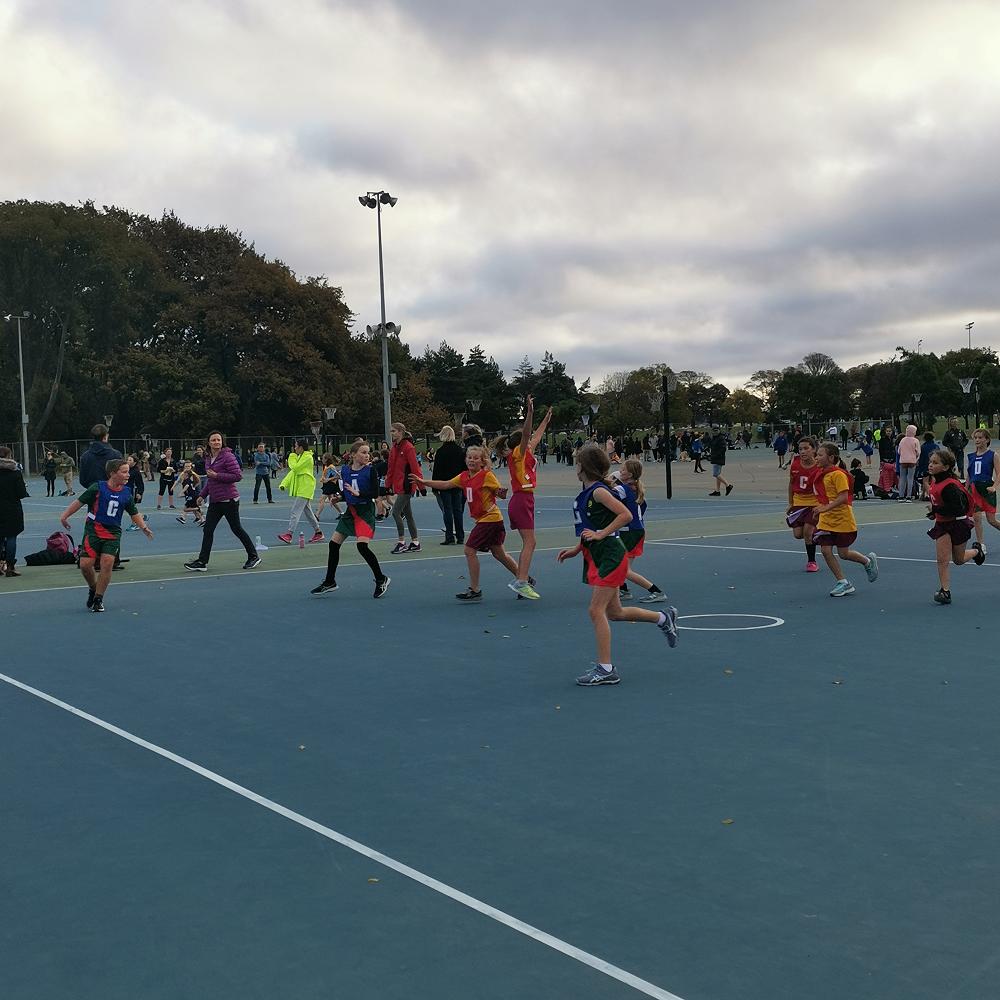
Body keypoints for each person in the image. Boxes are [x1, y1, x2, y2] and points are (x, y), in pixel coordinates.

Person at [557, 444, 678, 686]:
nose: (575, 465)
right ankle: (663, 618)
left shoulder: (599, 492)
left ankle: (606, 669)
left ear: (583, 466)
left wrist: (601, 534)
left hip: (611, 554)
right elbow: (589, 527)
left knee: (595, 610)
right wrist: (577, 549)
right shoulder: (587, 491)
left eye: (577, 461)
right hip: (599, 555)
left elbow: (626, 515)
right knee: (615, 613)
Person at [414, 444, 519, 602]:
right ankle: (525, 579)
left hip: (489, 519)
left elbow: (499, 493)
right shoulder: (463, 477)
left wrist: (501, 492)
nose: (472, 460)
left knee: (469, 550)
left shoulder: (486, 475)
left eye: (476, 458)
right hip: (488, 521)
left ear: (482, 461)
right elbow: (446, 484)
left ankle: (475, 589)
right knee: (499, 554)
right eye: (469, 457)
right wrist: (423, 481)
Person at [60, 459, 154, 611]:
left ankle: (98, 598)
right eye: (124, 472)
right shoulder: (97, 488)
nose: (127, 475)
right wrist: (64, 516)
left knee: (107, 563)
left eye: (128, 471)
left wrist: (143, 527)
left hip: (113, 532)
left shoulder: (126, 492)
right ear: (112, 473)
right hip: (93, 530)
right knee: (85, 565)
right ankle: (93, 588)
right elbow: (79, 502)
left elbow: (133, 512)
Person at [310, 439, 390, 598]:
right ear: (353, 455)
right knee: (333, 545)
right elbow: (347, 492)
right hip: (351, 512)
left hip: (365, 512)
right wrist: (338, 498)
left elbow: (375, 493)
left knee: (362, 547)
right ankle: (330, 581)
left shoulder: (370, 471)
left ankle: (381, 579)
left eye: (368, 453)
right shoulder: (345, 471)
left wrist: (358, 494)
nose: (367, 456)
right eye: (363, 452)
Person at [493, 395, 553, 600]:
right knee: (530, 542)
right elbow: (528, 433)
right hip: (521, 499)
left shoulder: (527, 452)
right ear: (520, 444)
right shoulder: (517, 454)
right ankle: (521, 581)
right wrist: (530, 413)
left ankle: (522, 580)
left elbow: (535, 435)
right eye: (526, 441)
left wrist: (545, 420)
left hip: (525, 500)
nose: (531, 442)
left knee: (530, 542)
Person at [183, 431, 261, 572]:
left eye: (218, 440)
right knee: (208, 529)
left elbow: (237, 476)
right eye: (213, 440)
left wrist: (217, 475)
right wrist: (201, 495)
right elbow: (211, 480)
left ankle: (253, 556)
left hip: (229, 500)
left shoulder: (228, 456)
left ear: (222, 442)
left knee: (236, 529)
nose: (216, 442)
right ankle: (202, 561)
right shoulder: (208, 458)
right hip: (215, 500)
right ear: (209, 442)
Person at [813, 443, 878, 597]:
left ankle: (867, 561)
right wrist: (821, 509)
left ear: (831, 457)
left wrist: (825, 508)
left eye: (820, 455)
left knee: (843, 553)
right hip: (827, 519)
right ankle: (843, 582)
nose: (817, 457)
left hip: (841, 518)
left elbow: (843, 498)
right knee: (825, 550)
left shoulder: (838, 475)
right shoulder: (822, 473)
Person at [925, 447, 984, 604]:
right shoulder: (934, 481)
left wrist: (936, 509)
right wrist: (934, 514)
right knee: (942, 559)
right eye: (930, 462)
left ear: (946, 467)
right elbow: (940, 504)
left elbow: (958, 508)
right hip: (942, 525)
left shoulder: (951, 485)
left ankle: (976, 551)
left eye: (935, 463)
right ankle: (945, 591)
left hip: (958, 524)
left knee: (958, 560)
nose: (930, 465)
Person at [613, 460, 670, 604]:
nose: (620, 471)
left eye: (623, 469)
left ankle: (656, 591)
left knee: (624, 569)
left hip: (631, 532)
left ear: (630, 474)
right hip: (634, 530)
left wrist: (605, 482)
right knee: (616, 563)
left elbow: (605, 499)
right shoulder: (634, 488)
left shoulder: (622, 489)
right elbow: (642, 507)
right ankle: (623, 590)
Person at [786, 435, 823, 572]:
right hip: (798, 502)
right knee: (798, 535)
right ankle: (819, 533)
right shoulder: (795, 464)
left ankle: (812, 562)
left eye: (806, 448)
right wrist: (790, 503)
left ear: (813, 450)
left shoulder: (819, 466)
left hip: (814, 503)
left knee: (807, 532)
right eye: (800, 449)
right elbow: (791, 484)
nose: (802, 451)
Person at [277, 439, 323, 544]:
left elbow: (295, 468)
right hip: (302, 488)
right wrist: (284, 484)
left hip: (306, 487)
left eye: (296, 446)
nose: (295, 448)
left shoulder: (307, 457)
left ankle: (289, 534)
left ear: (301, 447)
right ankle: (318, 532)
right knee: (308, 512)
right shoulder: (300, 457)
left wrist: (291, 458)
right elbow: (293, 472)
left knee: (295, 510)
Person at [386, 422, 421, 554]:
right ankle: (415, 542)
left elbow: (415, 468)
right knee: (408, 514)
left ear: (401, 431)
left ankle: (401, 542)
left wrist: (420, 485)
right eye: (391, 431)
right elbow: (391, 468)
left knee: (395, 512)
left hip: (407, 485)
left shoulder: (408, 447)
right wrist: (388, 485)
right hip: (399, 485)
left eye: (394, 431)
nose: (392, 433)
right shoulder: (395, 447)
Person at [430, 425, 467, 545]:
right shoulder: (459, 450)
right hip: (457, 484)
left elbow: (437, 471)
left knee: (447, 510)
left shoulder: (441, 452)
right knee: (458, 510)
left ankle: (449, 536)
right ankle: (460, 536)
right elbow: (464, 468)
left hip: (445, 484)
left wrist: (434, 487)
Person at [966, 429, 1000, 551]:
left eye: (980, 437)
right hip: (974, 489)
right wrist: (965, 490)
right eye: (975, 438)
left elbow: (999, 473)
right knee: (976, 518)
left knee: (991, 520)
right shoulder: (971, 456)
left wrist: (994, 487)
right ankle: (981, 544)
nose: (977, 440)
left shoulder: (993, 455)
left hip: (986, 489)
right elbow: (969, 475)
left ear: (987, 440)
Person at [0, 446, 29, 577]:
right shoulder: (15, 473)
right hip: (12, 508)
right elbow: (22, 493)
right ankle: (10, 567)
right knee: (11, 537)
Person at [315, 453, 344, 521]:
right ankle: (342, 513)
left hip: (330, 485)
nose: (322, 460)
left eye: (323, 458)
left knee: (322, 499)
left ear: (326, 459)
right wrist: (324, 479)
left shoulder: (331, 467)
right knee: (332, 499)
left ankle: (317, 515)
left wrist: (328, 479)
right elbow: (327, 475)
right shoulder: (326, 466)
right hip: (327, 485)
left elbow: (338, 476)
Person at [175, 461, 204, 525]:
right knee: (189, 507)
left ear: (187, 475)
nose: (183, 475)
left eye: (184, 475)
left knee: (186, 509)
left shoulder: (188, 480)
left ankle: (184, 518)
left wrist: (181, 493)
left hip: (192, 496)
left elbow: (187, 486)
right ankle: (201, 519)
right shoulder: (188, 479)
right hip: (191, 495)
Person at [896, 424, 920, 502]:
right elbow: (918, 452)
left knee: (902, 478)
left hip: (903, 461)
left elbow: (899, 451)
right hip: (912, 461)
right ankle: (909, 496)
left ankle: (901, 496)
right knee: (910, 478)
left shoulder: (903, 440)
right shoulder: (915, 440)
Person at [708, 427, 732, 496]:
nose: (715, 432)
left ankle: (728, 485)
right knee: (718, 474)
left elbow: (723, 448)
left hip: (718, 458)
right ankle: (717, 491)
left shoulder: (721, 438)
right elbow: (712, 445)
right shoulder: (714, 438)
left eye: (716, 431)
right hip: (715, 457)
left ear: (719, 431)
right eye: (714, 431)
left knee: (716, 474)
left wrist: (716, 455)